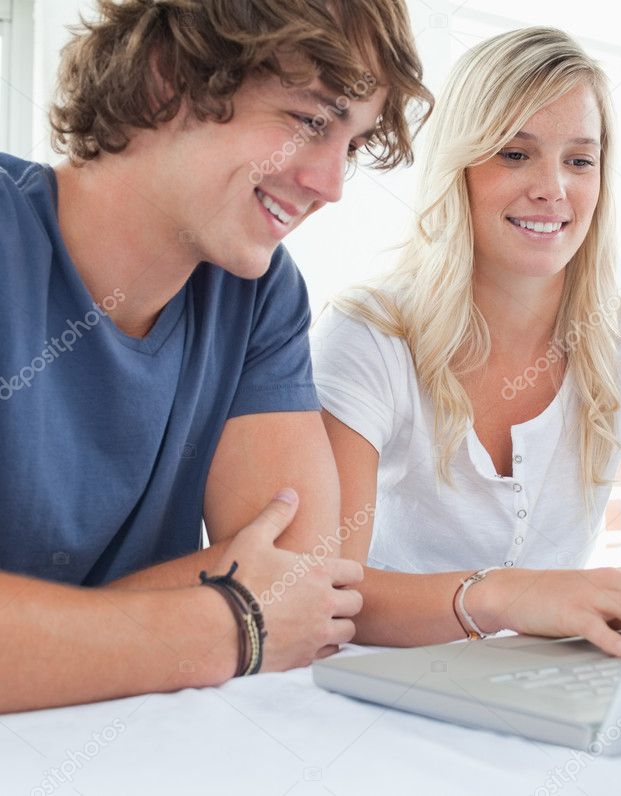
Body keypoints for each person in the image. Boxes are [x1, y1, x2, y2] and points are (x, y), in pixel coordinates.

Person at [0, 0, 431, 712]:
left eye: (349, 144)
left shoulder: (256, 295)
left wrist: (58, 641)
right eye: (309, 120)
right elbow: (265, 615)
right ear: (166, 79)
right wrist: (227, 621)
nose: (330, 185)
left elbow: (304, 593)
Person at [311, 27, 621, 657]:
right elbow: (325, 593)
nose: (553, 189)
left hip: (543, 681)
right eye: (514, 153)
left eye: (579, 160)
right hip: (388, 689)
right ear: (461, 168)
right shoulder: (372, 335)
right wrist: (505, 594)